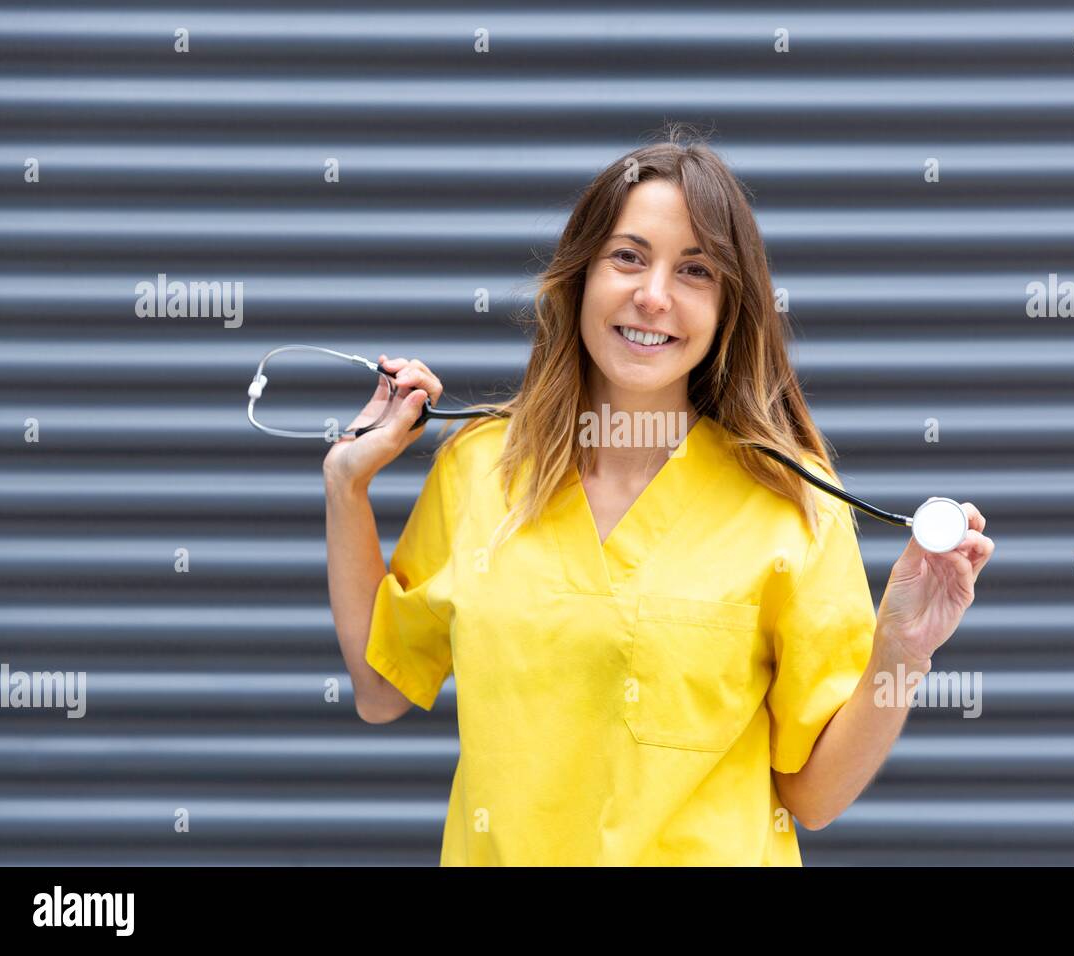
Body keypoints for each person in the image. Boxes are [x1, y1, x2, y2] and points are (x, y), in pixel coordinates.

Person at [322, 129, 995, 866]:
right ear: (580, 274)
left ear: (727, 309)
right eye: (629, 256)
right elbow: (381, 689)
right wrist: (346, 485)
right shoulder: (480, 469)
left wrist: (902, 651)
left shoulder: (790, 502)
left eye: (696, 270)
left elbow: (814, 796)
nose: (653, 296)